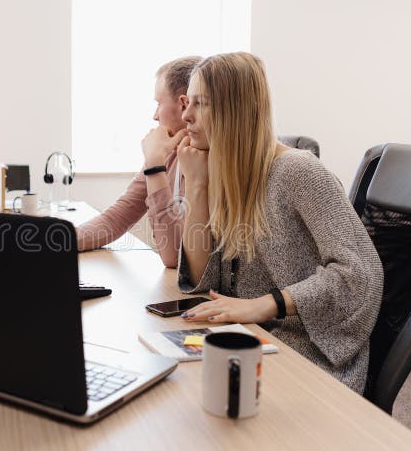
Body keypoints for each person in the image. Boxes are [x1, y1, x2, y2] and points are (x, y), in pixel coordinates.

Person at [176, 52, 383, 394]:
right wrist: (197, 186)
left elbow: (362, 273)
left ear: (237, 109)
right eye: (187, 102)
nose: (186, 115)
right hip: (252, 339)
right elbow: (202, 281)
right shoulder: (231, 175)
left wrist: (265, 304)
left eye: (201, 103)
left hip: (306, 357)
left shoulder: (299, 171)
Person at [76, 56, 204, 268]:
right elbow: (114, 220)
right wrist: (54, 241)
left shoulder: (207, 161)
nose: (155, 116)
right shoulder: (168, 153)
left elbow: (175, 256)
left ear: (183, 104)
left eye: (159, 103)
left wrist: (154, 164)